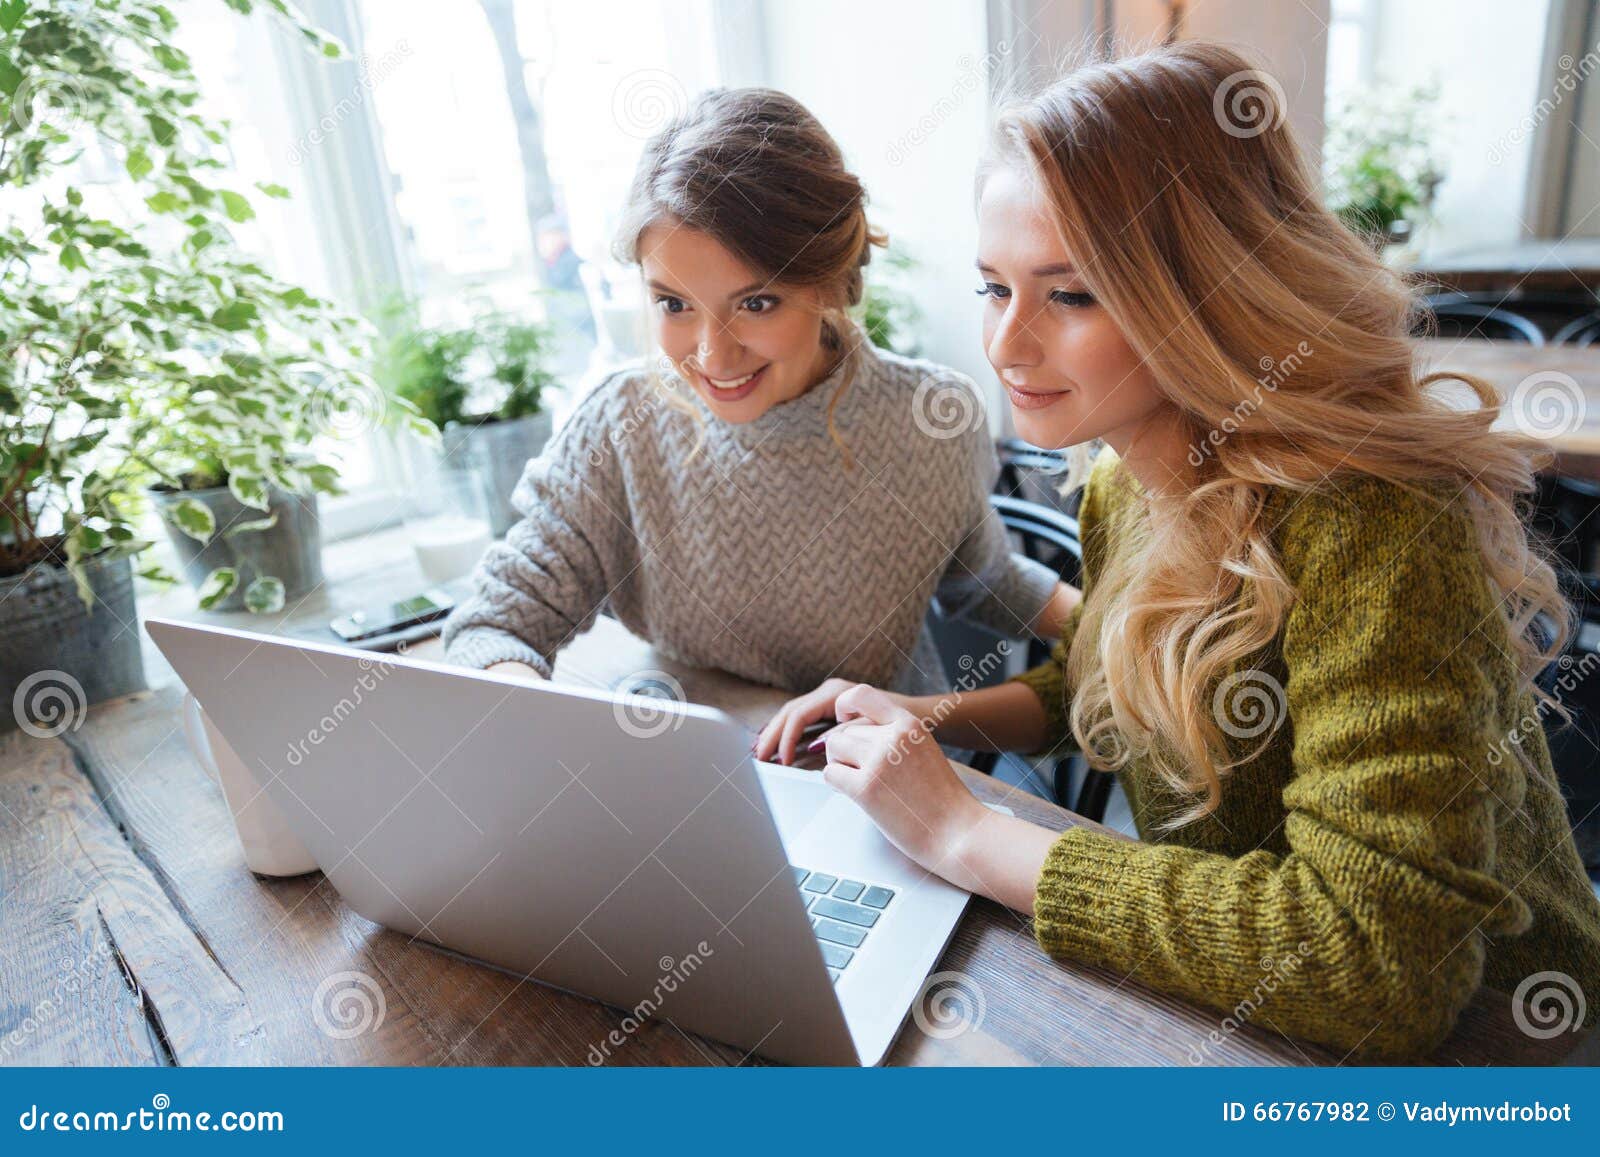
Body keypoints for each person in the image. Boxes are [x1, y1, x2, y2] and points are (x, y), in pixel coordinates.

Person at [760, 41, 1600, 1059]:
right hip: (1247, 1020)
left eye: (1070, 295)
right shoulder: (1122, 479)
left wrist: (965, 833)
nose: (1006, 344)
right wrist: (932, 715)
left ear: (1207, 290)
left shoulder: (1374, 520)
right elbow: (1104, 681)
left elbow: (1376, 968)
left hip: (1501, 1048)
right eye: (993, 287)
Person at [443, 88, 1075, 703]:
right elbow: (494, 625)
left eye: (756, 302)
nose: (713, 355)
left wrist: (1143, 630)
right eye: (673, 303)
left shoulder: (931, 419)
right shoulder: (621, 423)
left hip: (867, 783)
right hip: (684, 771)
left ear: (828, 283)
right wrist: (535, 715)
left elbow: (983, 584)